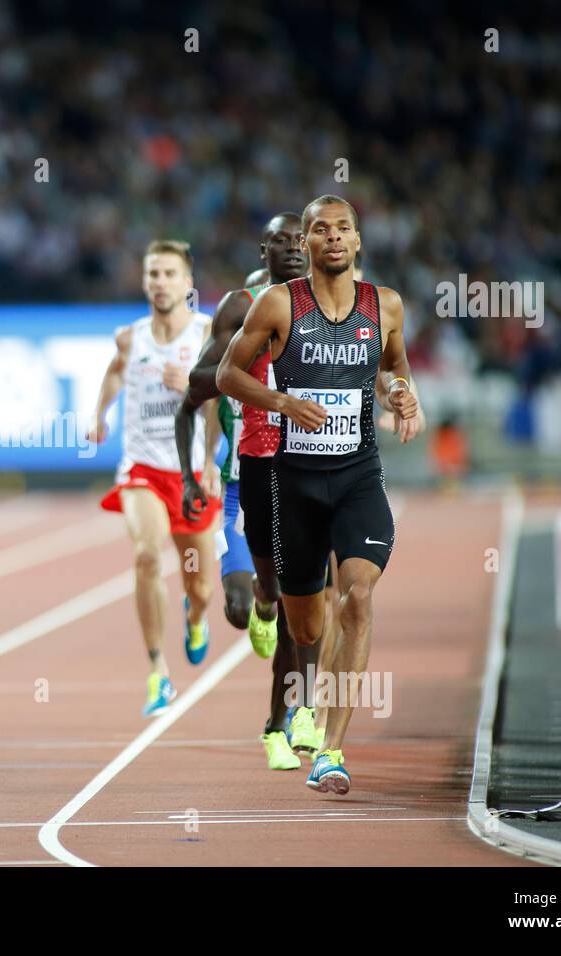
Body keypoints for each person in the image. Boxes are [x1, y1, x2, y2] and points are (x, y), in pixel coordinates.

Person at [217, 195, 422, 794]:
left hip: (358, 477)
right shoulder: (279, 304)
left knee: (357, 598)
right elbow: (229, 375)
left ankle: (331, 751)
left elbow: (393, 367)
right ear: (305, 244)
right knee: (306, 626)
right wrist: (282, 402)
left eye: (344, 229)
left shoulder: (384, 304)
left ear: (358, 242)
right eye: (320, 231)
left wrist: (403, 393)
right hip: (294, 484)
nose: (333, 238)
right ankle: (301, 700)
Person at [173, 212, 316, 770]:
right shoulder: (240, 307)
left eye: (302, 239)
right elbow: (196, 389)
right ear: (264, 250)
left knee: (308, 607)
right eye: (282, 240)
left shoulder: (329, 304)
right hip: (242, 481)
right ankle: (258, 599)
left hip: (307, 475)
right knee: (243, 608)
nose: (295, 248)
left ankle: (288, 720)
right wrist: (247, 371)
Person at [89, 239, 221, 717]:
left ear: (188, 284)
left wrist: (209, 462)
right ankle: (157, 673)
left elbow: (218, 403)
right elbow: (114, 372)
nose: (159, 283)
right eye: (153, 274)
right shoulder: (130, 336)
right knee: (147, 555)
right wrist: (98, 413)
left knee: (201, 587)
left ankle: (197, 617)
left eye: (169, 274)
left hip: (189, 473)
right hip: (142, 467)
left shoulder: (209, 333)